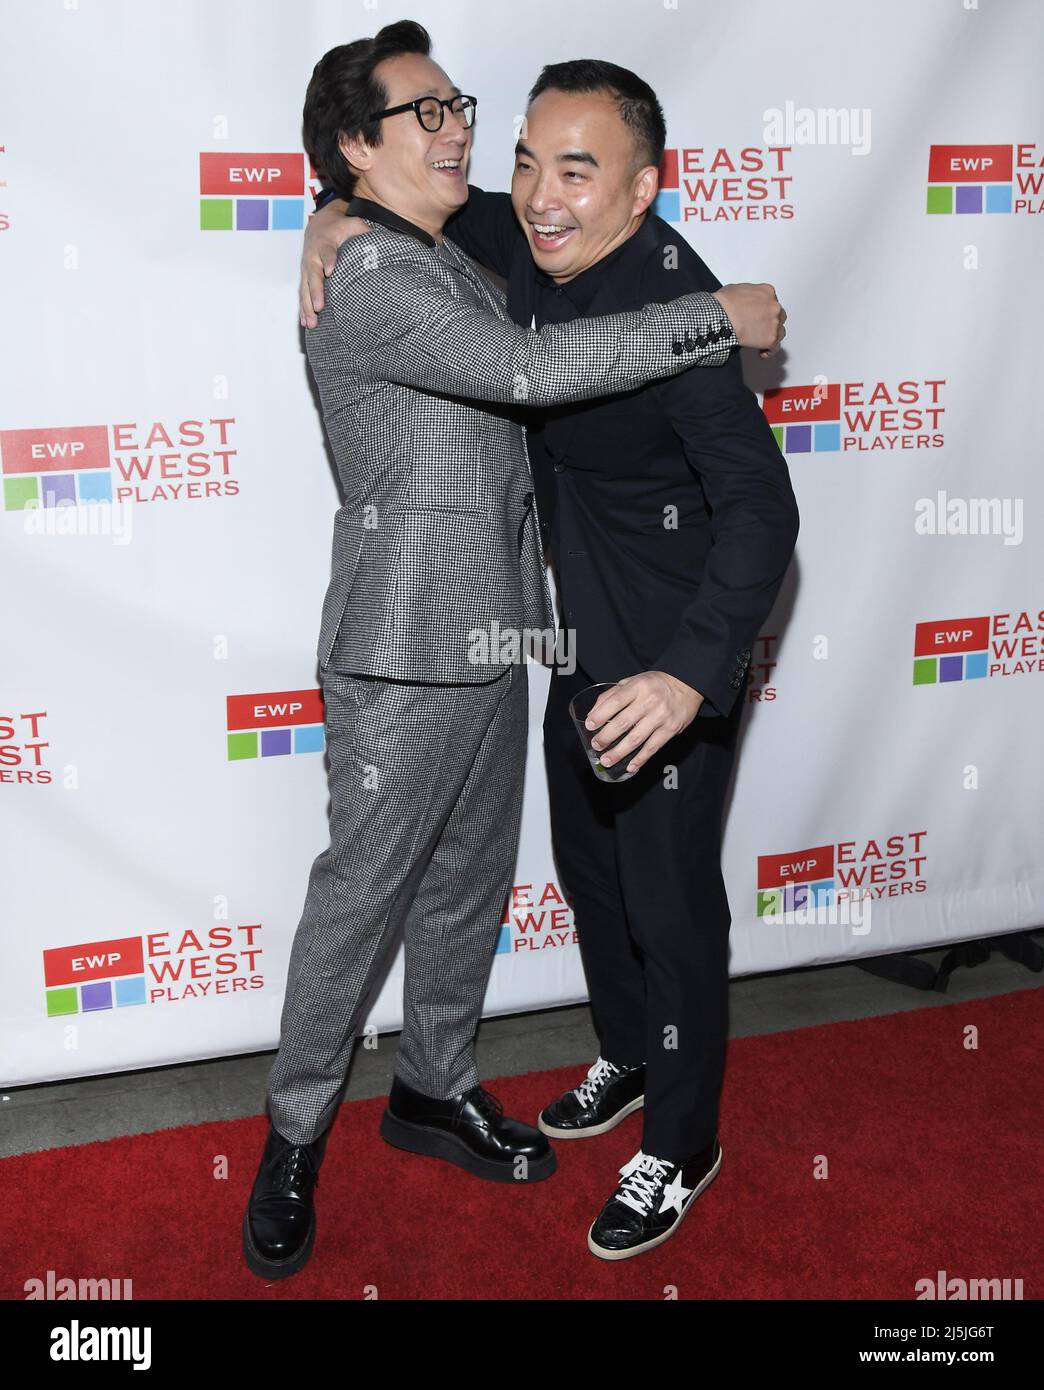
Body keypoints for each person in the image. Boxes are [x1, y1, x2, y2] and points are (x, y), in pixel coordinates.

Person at [244, 21, 786, 1281]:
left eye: (458, 109)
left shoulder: (477, 243)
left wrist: (335, 206)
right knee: (361, 899)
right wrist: (710, 315)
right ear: (354, 148)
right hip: (403, 642)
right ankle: (290, 1137)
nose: (464, 137)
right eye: (424, 116)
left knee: (470, 891)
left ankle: (435, 1088)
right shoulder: (384, 273)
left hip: (520, 636)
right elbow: (522, 372)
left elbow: (523, 214)